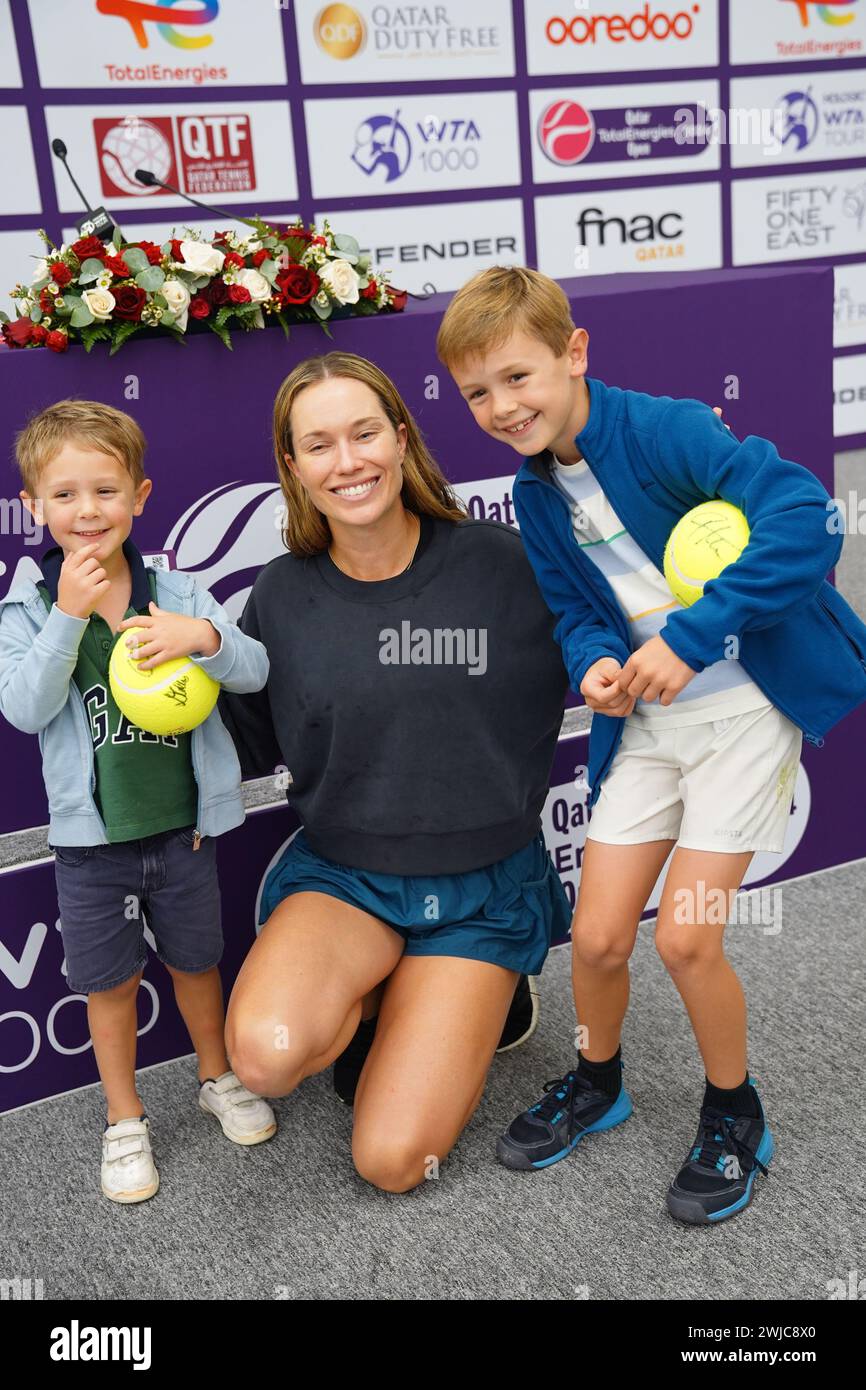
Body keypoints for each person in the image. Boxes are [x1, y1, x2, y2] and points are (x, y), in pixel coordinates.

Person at [437, 264, 866, 1222]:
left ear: (574, 353)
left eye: (519, 377)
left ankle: (734, 1112)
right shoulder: (535, 493)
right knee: (590, 937)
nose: (503, 407)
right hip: (648, 726)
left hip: (745, 718)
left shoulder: (668, 427)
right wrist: (593, 660)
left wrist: (693, 631)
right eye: (478, 393)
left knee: (686, 936)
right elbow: (573, 611)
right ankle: (599, 1080)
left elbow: (804, 516)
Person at [217, 351, 571, 1193]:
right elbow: (237, 740)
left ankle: (478, 991)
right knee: (266, 1060)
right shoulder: (280, 592)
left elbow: (622, 635)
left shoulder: (507, 562)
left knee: (391, 1164)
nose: (349, 462)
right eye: (320, 445)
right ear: (293, 469)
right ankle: (385, 989)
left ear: (402, 440)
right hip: (346, 881)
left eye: (366, 432)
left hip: (481, 891)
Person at [0, 400, 276, 1205]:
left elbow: (254, 671)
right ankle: (124, 1118)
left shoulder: (180, 589)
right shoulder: (26, 609)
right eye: (65, 495)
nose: (87, 512)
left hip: (184, 834)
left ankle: (216, 1076)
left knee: (197, 962)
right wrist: (66, 618)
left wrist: (206, 640)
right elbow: (23, 708)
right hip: (92, 847)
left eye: (107, 492)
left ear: (141, 496)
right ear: (33, 508)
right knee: (108, 984)